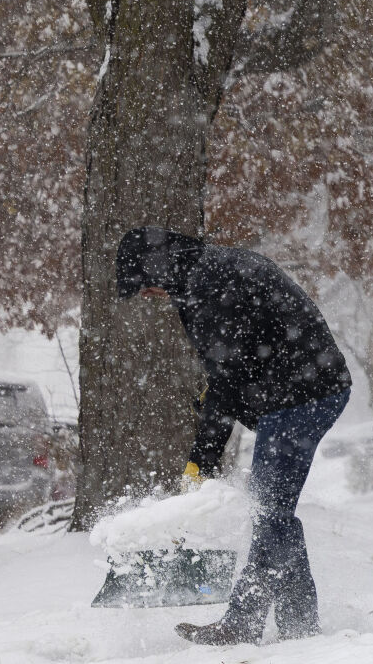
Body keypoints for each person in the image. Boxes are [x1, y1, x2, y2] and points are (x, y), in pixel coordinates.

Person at [115, 227, 352, 646]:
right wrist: (203, 450)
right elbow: (224, 371)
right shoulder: (199, 277)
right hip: (297, 389)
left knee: (269, 509)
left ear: (157, 267)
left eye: (144, 284)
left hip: (304, 394)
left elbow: (227, 377)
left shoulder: (211, 285)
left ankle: (244, 622)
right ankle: (300, 625)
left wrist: (202, 461)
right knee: (274, 512)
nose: (147, 294)